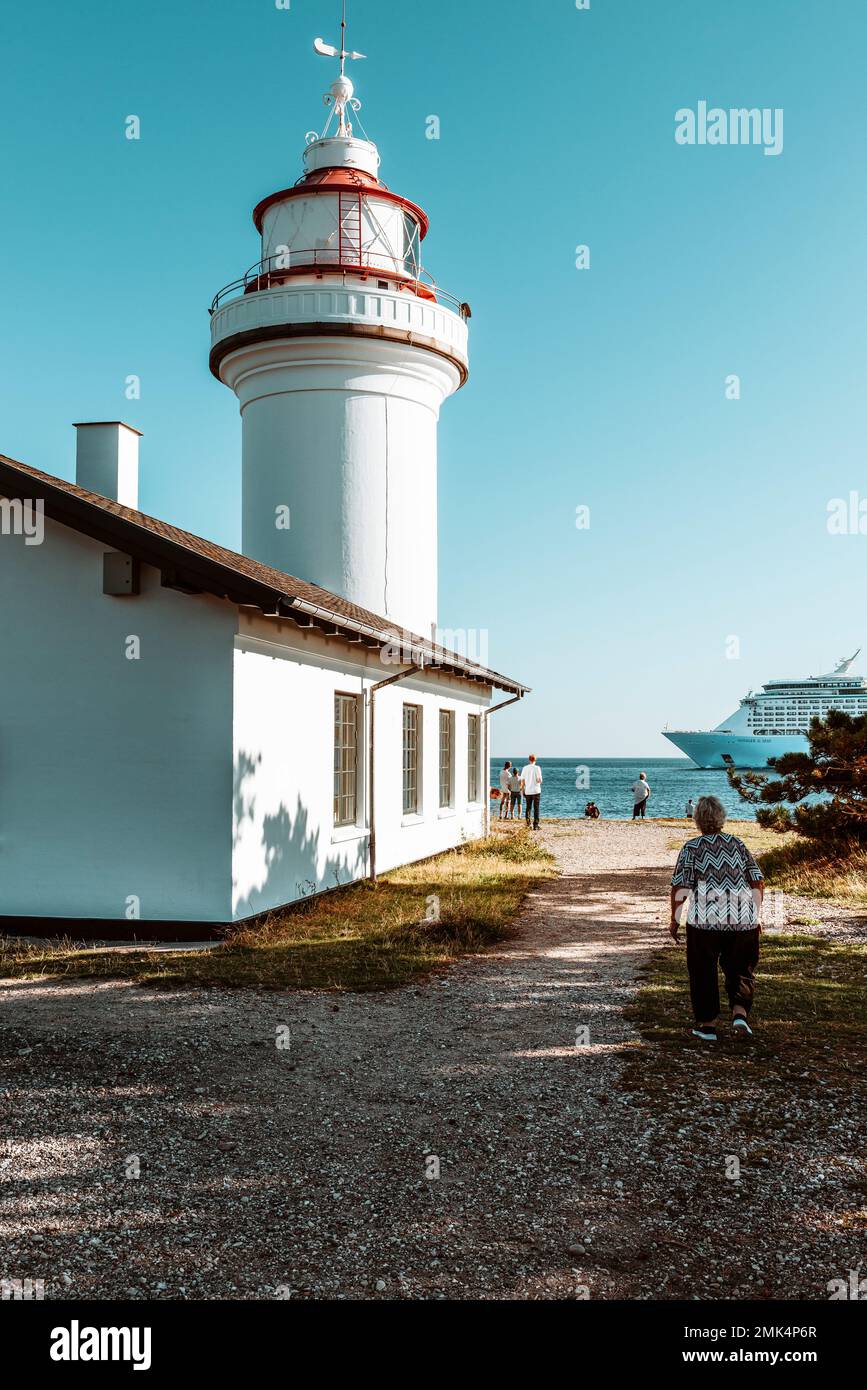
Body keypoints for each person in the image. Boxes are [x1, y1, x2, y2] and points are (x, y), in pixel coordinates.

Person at [669, 794, 765, 1042]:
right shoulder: (738, 844)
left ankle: (707, 1025)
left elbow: (681, 887)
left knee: (703, 970)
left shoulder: (692, 848)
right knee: (741, 968)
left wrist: (675, 919)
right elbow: (757, 879)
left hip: (705, 921)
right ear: (722, 817)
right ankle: (740, 1014)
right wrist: (755, 913)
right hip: (742, 918)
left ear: (698, 819)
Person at [520, 754, 543, 830]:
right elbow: (539, 780)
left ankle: (528, 824)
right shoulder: (537, 768)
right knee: (536, 808)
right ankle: (535, 825)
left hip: (528, 791)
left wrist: (522, 789)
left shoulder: (525, 768)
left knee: (528, 808)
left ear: (529, 760)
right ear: (535, 760)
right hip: (536, 790)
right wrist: (539, 780)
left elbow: (522, 780)